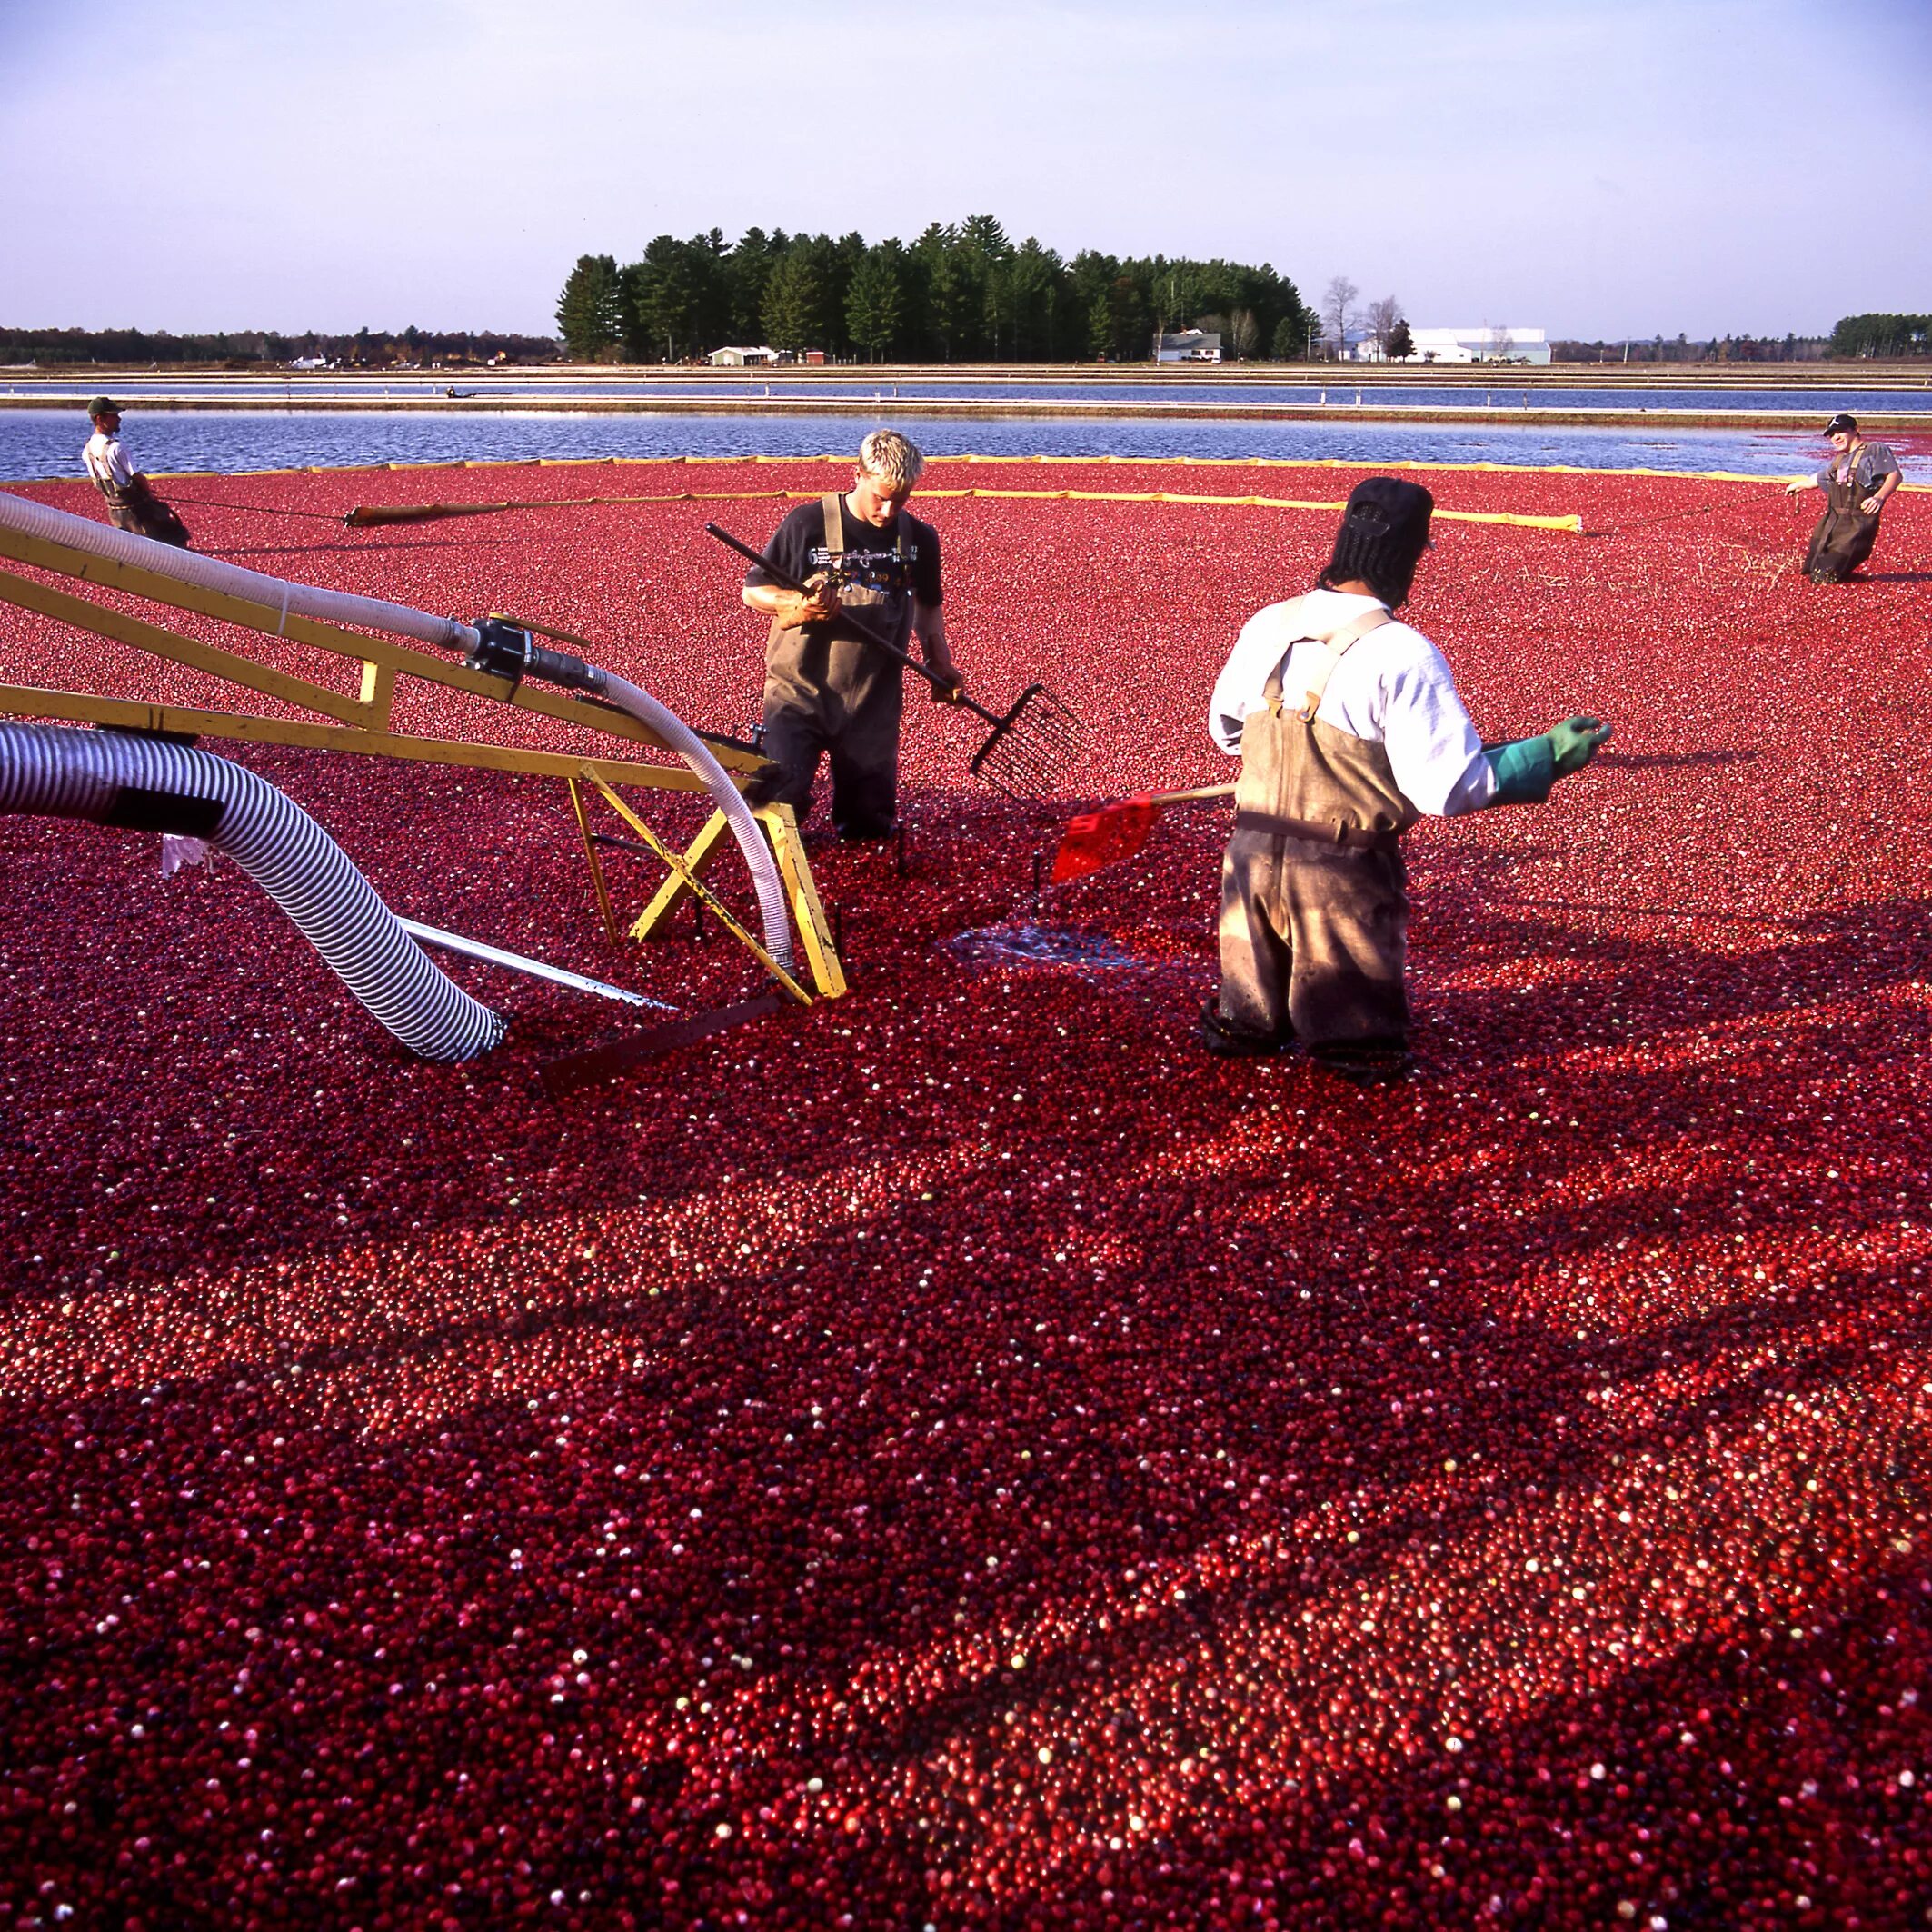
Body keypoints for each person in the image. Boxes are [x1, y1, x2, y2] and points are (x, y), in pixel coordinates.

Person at [1203, 476, 1611, 1083]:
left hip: (1250, 860)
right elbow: (1445, 788)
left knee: (1245, 1031)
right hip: (1342, 874)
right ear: (1409, 558)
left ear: (1342, 545)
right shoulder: (1402, 651)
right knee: (1355, 1051)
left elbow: (1226, 733)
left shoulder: (1268, 623)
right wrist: (1543, 756)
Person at [740, 429, 963, 841]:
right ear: (856, 474)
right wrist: (797, 603)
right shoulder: (807, 524)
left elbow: (929, 608)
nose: (889, 509)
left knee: (868, 821)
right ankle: (775, 892)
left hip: (872, 701)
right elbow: (753, 591)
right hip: (799, 691)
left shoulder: (919, 539)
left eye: (902, 498)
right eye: (881, 496)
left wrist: (939, 662)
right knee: (777, 805)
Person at [1786, 413, 1902, 583]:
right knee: (1812, 566)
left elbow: (1895, 475)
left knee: (1824, 577)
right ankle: (1847, 576)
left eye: (1840, 432)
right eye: (1832, 434)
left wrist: (1879, 498)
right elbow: (1819, 479)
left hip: (1856, 523)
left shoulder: (1874, 449)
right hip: (1833, 520)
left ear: (1855, 430)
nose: (1835, 437)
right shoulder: (1839, 460)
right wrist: (1798, 485)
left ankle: (1845, 575)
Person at [81, 398, 190, 548]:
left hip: (115, 511)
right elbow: (137, 476)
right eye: (114, 415)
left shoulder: (87, 450)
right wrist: (149, 493)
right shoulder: (116, 448)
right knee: (177, 534)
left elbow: (99, 482)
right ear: (100, 419)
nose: (119, 419)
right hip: (137, 512)